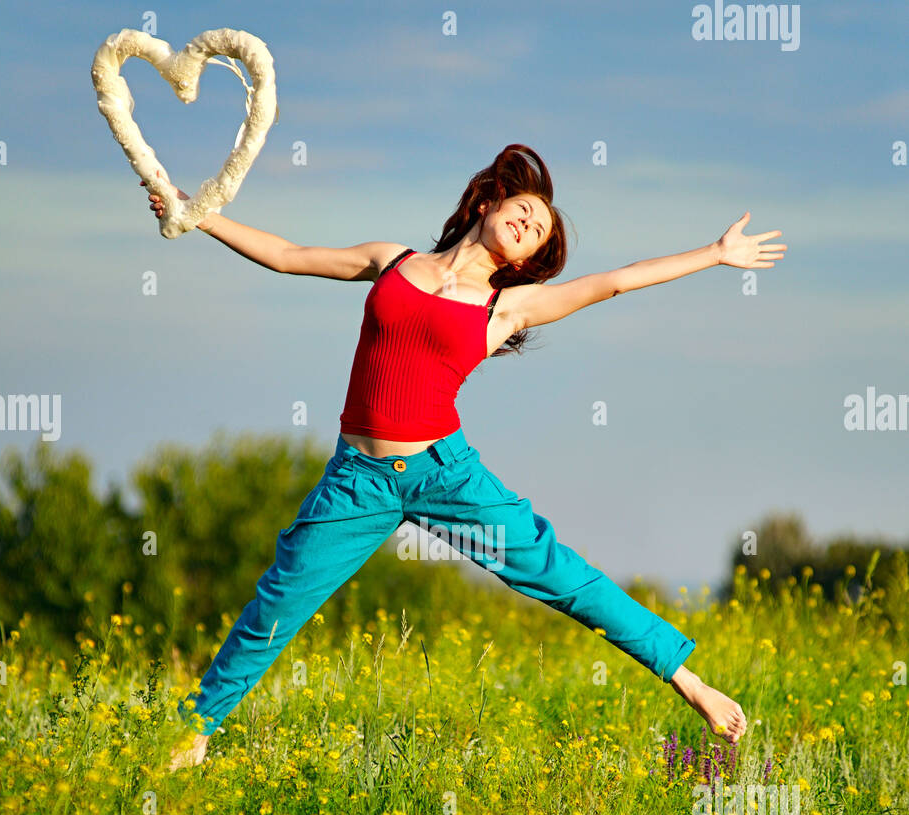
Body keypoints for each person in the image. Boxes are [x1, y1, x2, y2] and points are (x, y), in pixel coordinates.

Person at [141, 144, 785, 770]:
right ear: (491, 201)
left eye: (538, 232)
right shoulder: (391, 261)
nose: (530, 222)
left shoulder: (508, 307)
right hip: (357, 482)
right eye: (526, 209)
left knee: (558, 574)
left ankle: (690, 682)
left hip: (443, 475)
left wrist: (715, 254)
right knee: (276, 608)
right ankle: (191, 732)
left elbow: (612, 283)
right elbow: (287, 255)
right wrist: (195, 212)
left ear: (530, 258)